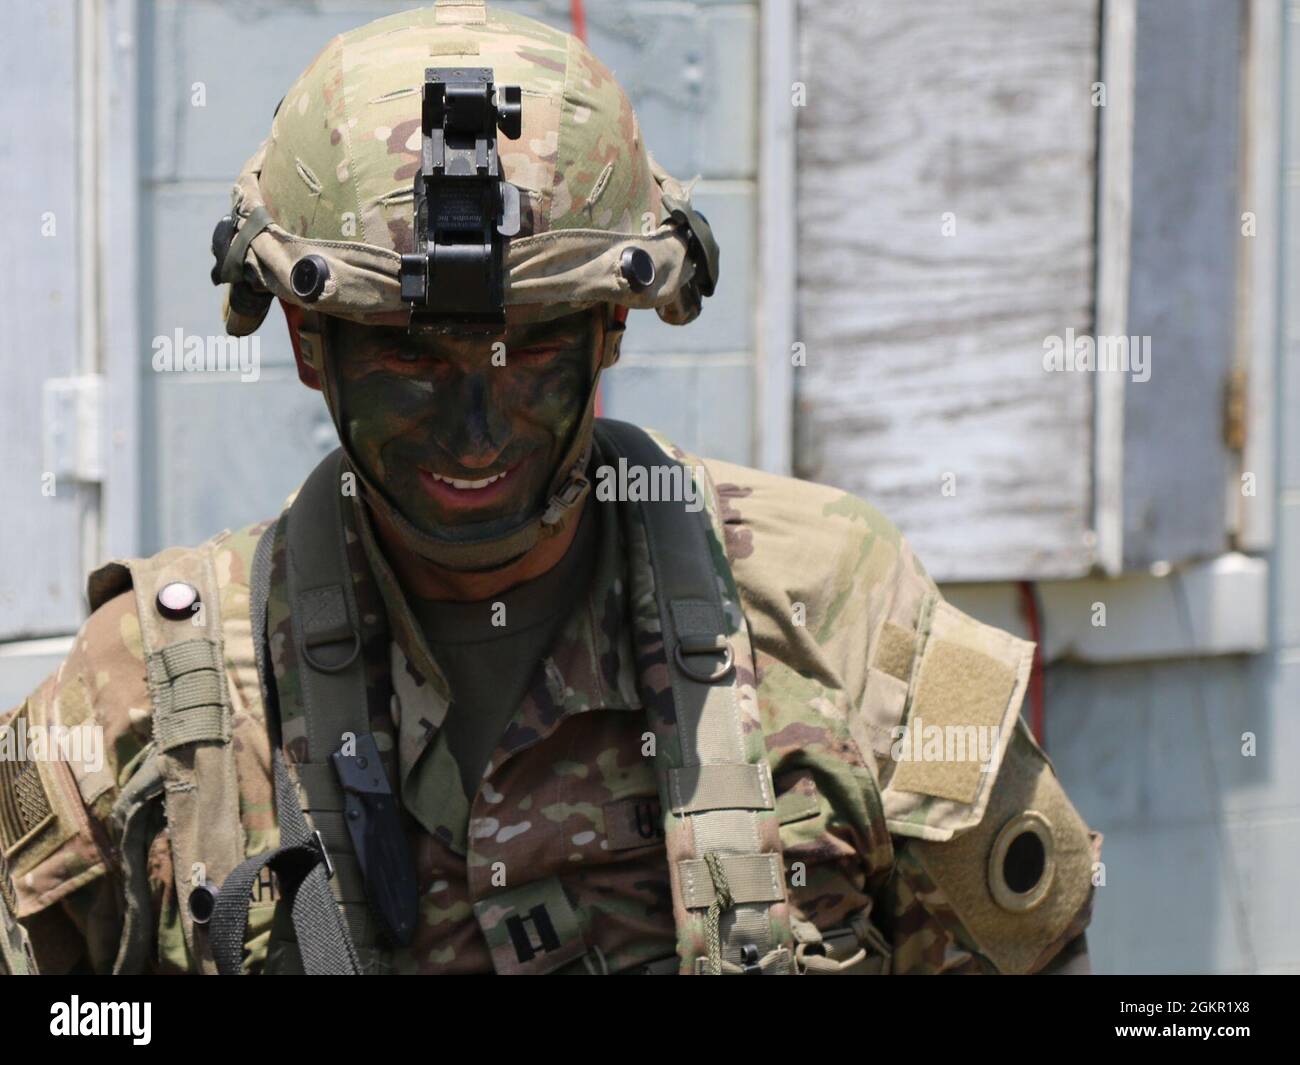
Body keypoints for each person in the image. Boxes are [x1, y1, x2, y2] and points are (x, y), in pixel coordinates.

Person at [0, 0, 1100, 975]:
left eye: (528, 354)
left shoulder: (839, 613)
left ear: (611, 327)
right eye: (408, 357)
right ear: (306, 339)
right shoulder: (151, 692)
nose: (474, 432)